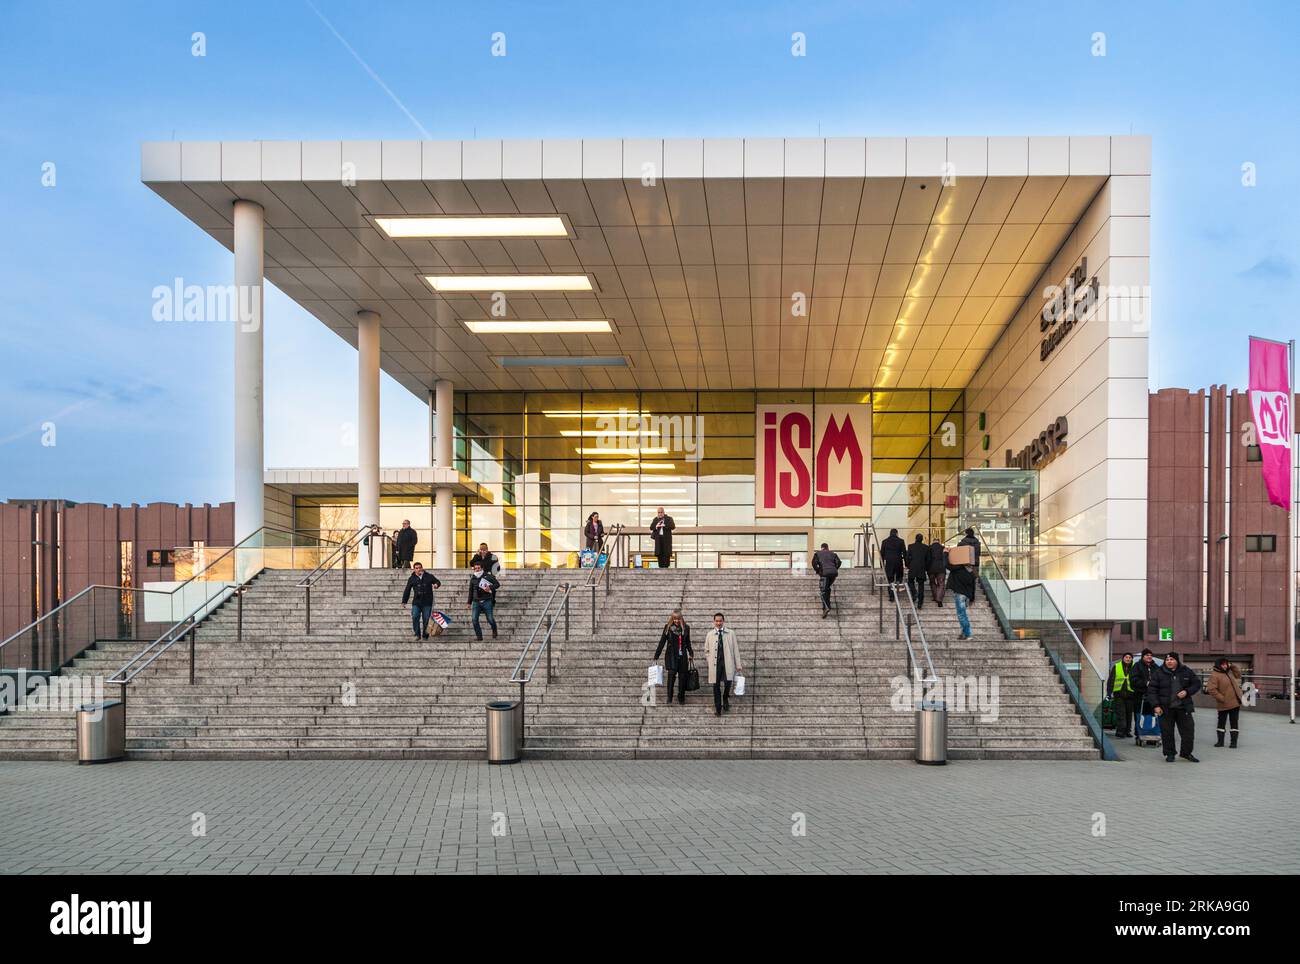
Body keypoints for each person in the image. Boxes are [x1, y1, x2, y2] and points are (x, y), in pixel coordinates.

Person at [1147, 651, 1201, 763]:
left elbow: (1196, 684)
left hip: (1183, 708)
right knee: (1167, 733)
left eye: (1172, 659)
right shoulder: (1159, 673)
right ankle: (1170, 754)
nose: (1169, 662)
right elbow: (1152, 691)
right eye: (1167, 660)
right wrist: (1156, 706)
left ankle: (1186, 753)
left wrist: (1187, 692)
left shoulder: (1186, 671)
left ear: (1177, 661)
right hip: (1165, 709)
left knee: (1188, 733)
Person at [704, 612, 741, 717]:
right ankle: (718, 708)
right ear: (714, 622)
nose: (718, 623)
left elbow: (736, 649)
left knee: (728, 682)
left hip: (727, 662)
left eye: (720, 621)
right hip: (715, 664)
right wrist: (710, 660)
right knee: (715, 686)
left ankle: (725, 696)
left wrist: (738, 664)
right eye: (717, 621)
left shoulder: (731, 633)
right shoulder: (710, 634)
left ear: (723, 621)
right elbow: (706, 650)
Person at [653, 610, 693, 705]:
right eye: (674, 619)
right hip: (671, 656)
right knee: (671, 676)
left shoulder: (686, 628)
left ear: (681, 618)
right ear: (672, 618)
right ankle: (669, 697)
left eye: (678, 618)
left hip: (682, 656)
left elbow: (688, 642)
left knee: (682, 677)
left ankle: (681, 696)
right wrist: (656, 655)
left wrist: (691, 653)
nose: (676, 621)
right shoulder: (668, 628)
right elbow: (662, 642)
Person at [1205, 657, 1244, 748]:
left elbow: (1238, 675)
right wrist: (1222, 698)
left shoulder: (1229, 672)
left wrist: (1232, 666)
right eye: (1222, 664)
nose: (1225, 666)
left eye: (1226, 664)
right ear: (1218, 665)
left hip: (1235, 702)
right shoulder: (1214, 675)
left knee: (1234, 722)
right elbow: (1211, 689)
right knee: (1221, 722)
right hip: (1223, 703)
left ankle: (1233, 742)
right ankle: (1220, 742)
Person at [400, 562, 441, 640]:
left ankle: (425, 635)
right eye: (416, 568)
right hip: (416, 602)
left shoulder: (428, 576)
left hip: (427, 602)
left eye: (420, 568)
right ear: (414, 569)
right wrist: (404, 601)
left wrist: (436, 585)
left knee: (426, 619)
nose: (418, 569)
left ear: (422, 568)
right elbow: (407, 590)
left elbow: (438, 581)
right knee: (415, 616)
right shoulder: (412, 578)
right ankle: (417, 634)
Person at [1106, 652, 1138, 739]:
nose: (1128, 659)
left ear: (1132, 659)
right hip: (1119, 694)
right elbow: (1111, 680)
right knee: (1121, 714)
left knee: (1129, 714)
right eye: (1126, 657)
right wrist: (1109, 692)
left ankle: (1127, 731)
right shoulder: (1117, 666)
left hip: (1131, 694)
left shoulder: (1135, 667)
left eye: (1130, 657)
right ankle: (1120, 731)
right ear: (1123, 658)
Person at [1130, 648, 1158, 746]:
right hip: (1140, 695)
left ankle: (1151, 733)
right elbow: (1133, 679)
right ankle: (1139, 733)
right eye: (1147, 655)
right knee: (1139, 714)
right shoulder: (1137, 666)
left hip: (1153, 695)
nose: (1149, 656)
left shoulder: (1155, 667)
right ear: (1143, 657)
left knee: (1152, 715)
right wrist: (1145, 683)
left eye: (1150, 655)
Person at [466, 561, 500, 641]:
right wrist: (469, 602)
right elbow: (471, 591)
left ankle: (494, 629)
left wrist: (490, 587)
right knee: (474, 620)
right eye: (476, 568)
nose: (477, 569)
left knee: (490, 619)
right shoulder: (473, 578)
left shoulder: (488, 576)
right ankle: (479, 637)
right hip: (476, 601)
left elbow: (497, 584)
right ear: (474, 569)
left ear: (481, 568)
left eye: (478, 568)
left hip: (487, 601)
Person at [946, 552, 976, 640]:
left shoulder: (957, 569)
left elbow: (947, 565)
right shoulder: (971, 572)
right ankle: (964, 633)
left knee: (961, 615)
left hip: (960, 594)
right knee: (963, 614)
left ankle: (968, 634)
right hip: (967, 596)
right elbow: (973, 587)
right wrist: (972, 598)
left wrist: (945, 554)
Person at [811, 543, 841, 617]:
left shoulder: (817, 554)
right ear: (827, 548)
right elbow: (839, 562)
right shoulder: (833, 554)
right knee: (827, 588)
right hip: (833, 574)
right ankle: (828, 604)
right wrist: (834, 569)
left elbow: (814, 563)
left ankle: (826, 607)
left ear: (821, 548)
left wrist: (818, 571)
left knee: (823, 591)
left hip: (824, 573)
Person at [879, 528, 906, 597]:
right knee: (899, 577)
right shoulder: (901, 541)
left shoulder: (884, 541)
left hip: (889, 563)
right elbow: (905, 553)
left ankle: (891, 595)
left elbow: (882, 554)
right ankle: (897, 591)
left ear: (890, 533)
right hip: (898, 562)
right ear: (897, 533)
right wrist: (906, 563)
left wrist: (881, 565)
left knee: (890, 578)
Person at [906, 534, 930, 608]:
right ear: (922, 539)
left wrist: (908, 566)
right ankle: (920, 602)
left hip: (913, 567)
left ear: (915, 538)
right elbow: (928, 559)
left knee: (910, 581)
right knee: (921, 585)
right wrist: (925, 567)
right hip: (921, 568)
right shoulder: (926, 547)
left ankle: (914, 593)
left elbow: (907, 558)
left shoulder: (910, 546)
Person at [926, 537, 947, 605]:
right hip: (941, 569)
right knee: (941, 584)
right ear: (939, 541)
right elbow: (945, 558)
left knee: (932, 583)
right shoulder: (943, 547)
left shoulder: (929, 548)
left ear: (933, 541)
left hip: (931, 568)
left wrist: (927, 567)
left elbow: (927, 559)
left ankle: (935, 597)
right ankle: (939, 599)